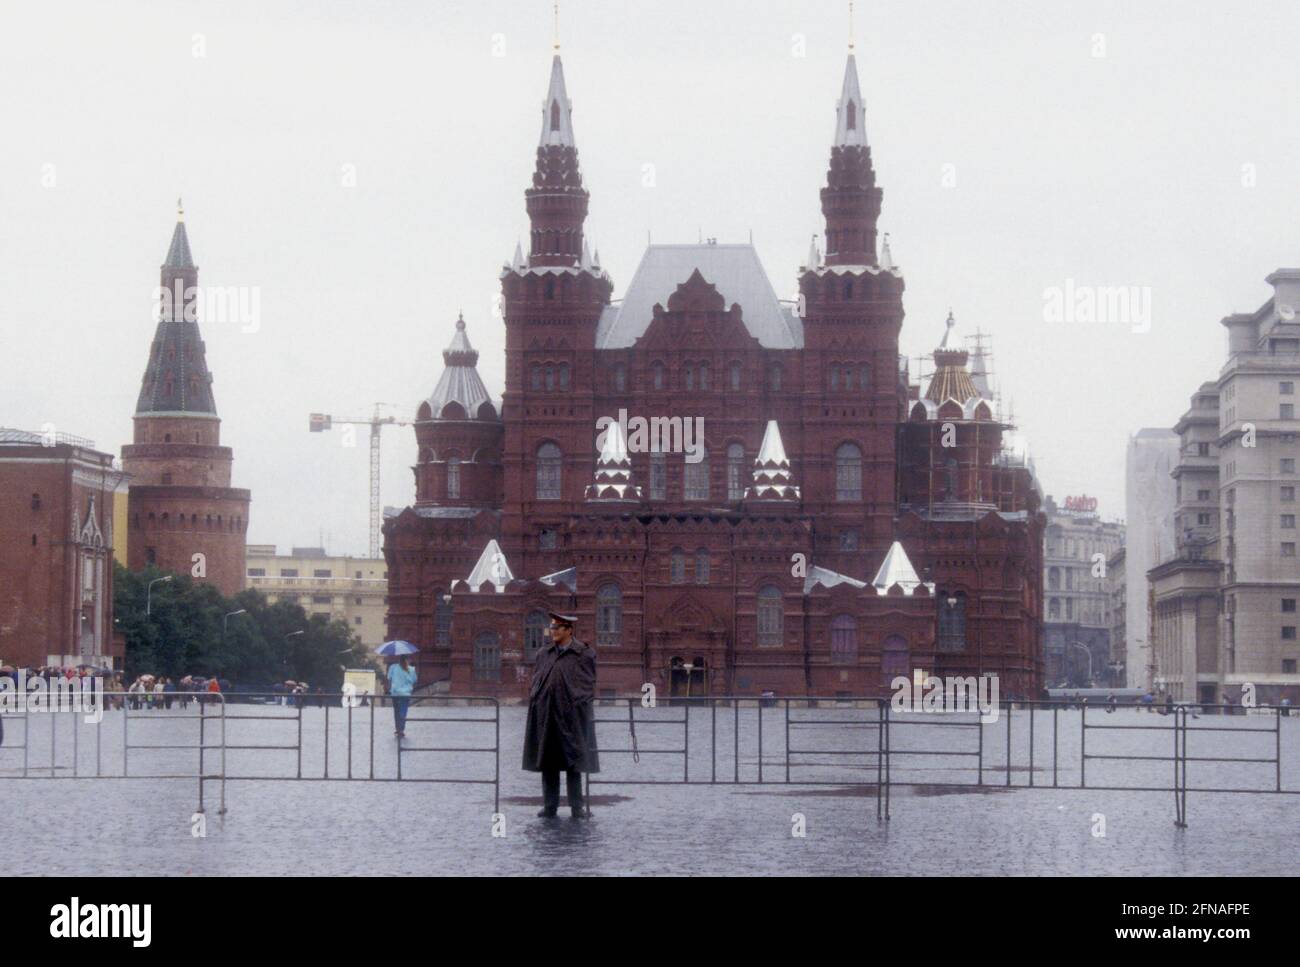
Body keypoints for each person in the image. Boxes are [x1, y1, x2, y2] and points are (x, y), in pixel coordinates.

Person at [522, 611, 600, 819]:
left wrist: (573, 702)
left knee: (573, 762)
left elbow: (587, 683)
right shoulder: (544, 653)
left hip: (571, 716)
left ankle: (577, 807)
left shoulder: (583, 653)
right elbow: (537, 679)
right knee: (549, 762)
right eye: (552, 628)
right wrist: (537, 698)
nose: (553, 632)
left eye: (557, 628)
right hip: (546, 714)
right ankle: (550, 806)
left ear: (569, 630)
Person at [387, 655, 417, 737]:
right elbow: (414, 681)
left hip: (395, 693)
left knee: (396, 711)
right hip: (406, 694)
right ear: (407, 659)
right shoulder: (411, 669)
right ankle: (401, 729)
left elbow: (389, 679)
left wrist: (389, 690)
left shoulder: (393, 667)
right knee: (403, 711)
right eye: (410, 659)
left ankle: (398, 729)